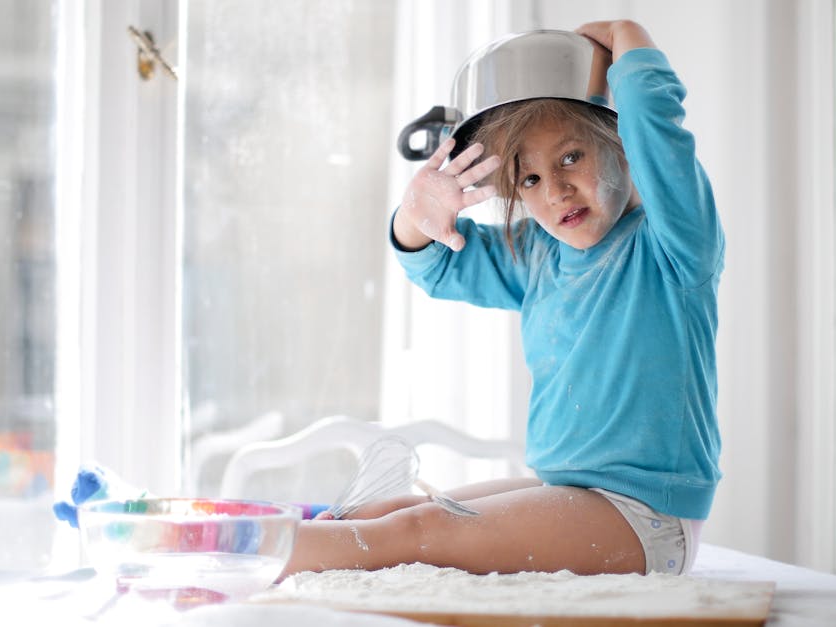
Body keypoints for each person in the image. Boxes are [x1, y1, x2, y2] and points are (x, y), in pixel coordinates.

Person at [281, 18, 723, 578]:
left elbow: (659, 129)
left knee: (419, 532)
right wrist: (418, 215)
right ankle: (264, 550)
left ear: (625, 148)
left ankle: (241, 550)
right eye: (529, 179)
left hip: (643, 518)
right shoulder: (539, 255)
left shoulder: (673, 247)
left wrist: (625, 34)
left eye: (570, 158)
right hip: (571, 490)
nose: (556, 190)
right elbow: (437, 266)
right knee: (392, 511)